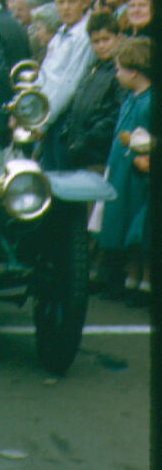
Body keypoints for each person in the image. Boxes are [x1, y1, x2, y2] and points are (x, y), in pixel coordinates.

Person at [97, 37, 152, 302]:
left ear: (133, 71)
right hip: (122, 173)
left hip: (141, 176)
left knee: (140, 231)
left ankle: (147, 282)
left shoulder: (151, 101)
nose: (116, 74)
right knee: (123, 224)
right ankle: (130, 279)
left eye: (119, 69)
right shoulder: (131, 98)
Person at [34, 0, 95, 169]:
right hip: (47, 116)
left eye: (72, 1)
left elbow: (69, 84)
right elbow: (46, 75)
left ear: (84, 2)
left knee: (61, 176)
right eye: (61, 2)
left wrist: (44, 121)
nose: (66, 7)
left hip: (64, 121)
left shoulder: (84, 36)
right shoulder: (60, 33)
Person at [60, 11, 122, 170]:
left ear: (118, 37)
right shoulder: (93, 68)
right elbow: (76, 103)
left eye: (106, 39)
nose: (101, 46)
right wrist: (67, 131)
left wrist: (86, 142)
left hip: (98, 155)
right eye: (95, 41)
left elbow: (114, 116)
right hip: (78, 149)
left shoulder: (120, 73)